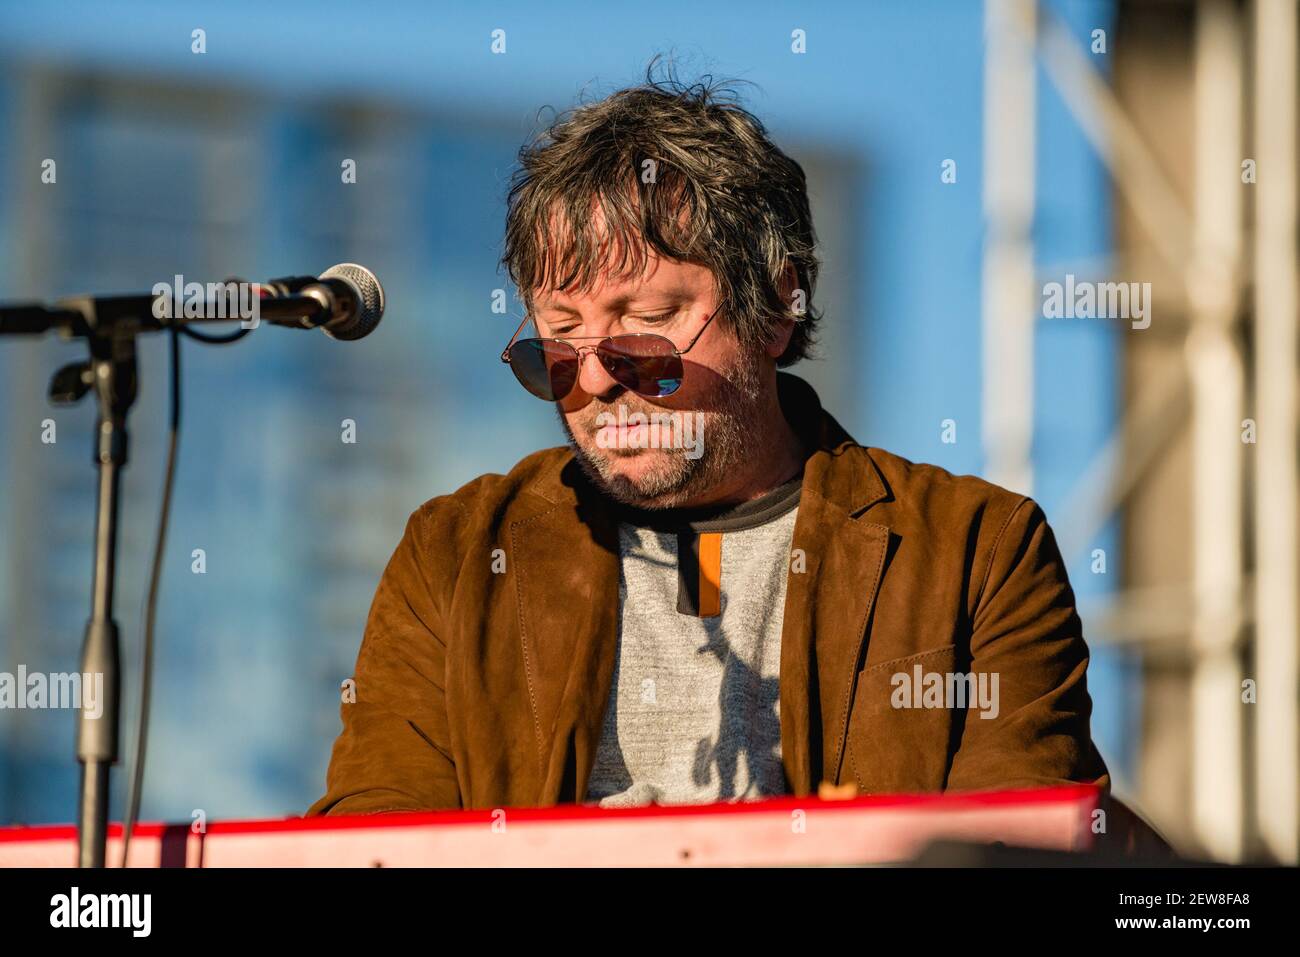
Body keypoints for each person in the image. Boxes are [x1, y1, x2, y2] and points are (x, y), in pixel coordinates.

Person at [307, 68, 1109, 816]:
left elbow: (1019, 842)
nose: (596, 383)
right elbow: (375, 840)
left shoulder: (977, 550)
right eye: (556, 346)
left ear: (777, 303)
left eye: (647, 330)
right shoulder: (453, 554)